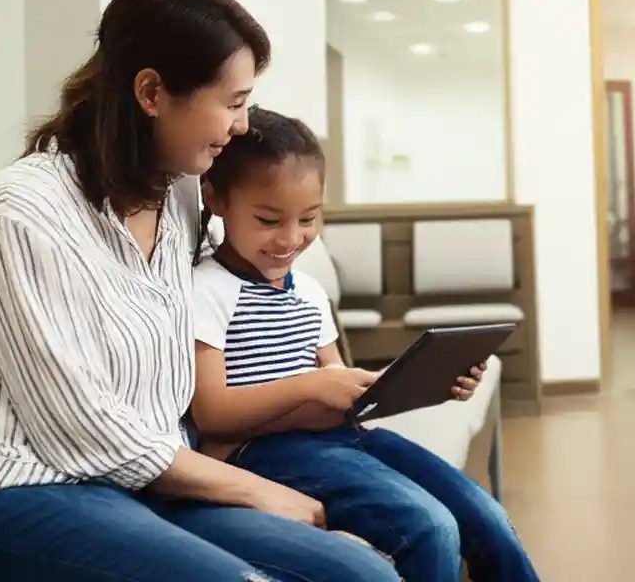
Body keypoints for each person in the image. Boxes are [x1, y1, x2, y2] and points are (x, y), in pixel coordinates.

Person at [0, 0, 398, 582]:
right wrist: (249, 488)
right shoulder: (20, 214)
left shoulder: (179, 199)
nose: (242, 126)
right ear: (151, 94)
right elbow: (83, 428)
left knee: (364, 575)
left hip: (144, 486)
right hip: (15, 495)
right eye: (232, 103)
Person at [188, 106, 541, 582]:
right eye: (269, 220)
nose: (291, 238)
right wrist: (313, 385)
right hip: (260, 453)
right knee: (429, 526)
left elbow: (343, 395)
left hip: (341, 439)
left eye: (309, 219)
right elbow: (213, 416)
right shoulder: (206, 289)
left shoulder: (308, 294)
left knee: (486, 517)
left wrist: (420, 381)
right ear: (216, 198)